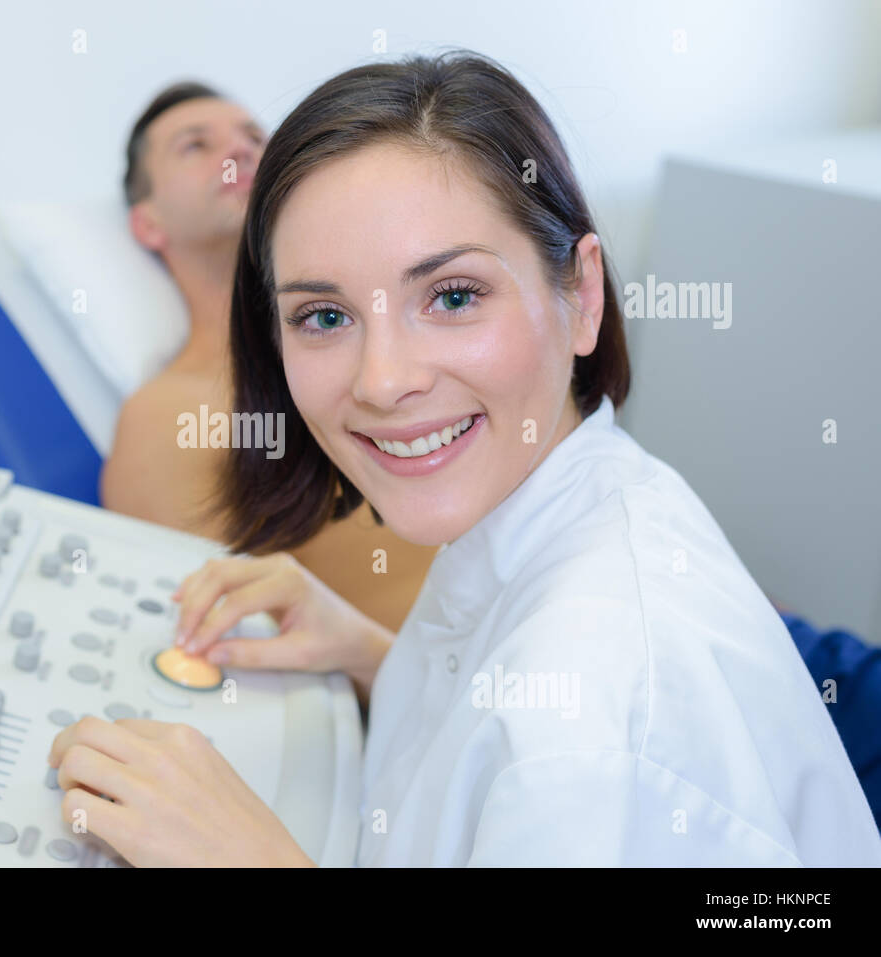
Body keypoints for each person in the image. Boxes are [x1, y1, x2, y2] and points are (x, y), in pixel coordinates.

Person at [48, 50, 881, 866]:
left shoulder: (586, 739)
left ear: (582, 296)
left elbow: (561, 748)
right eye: (324, 317)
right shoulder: (523, 512)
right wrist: (381, 656)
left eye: (452, 296)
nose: (383, 382)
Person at [99, 81, 439, 634]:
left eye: (255, 137)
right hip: (441, 699)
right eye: (195, 146)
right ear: (148, 223)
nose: (242, 151)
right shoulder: (167, 416)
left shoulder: (399, 334)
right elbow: (206, 643)